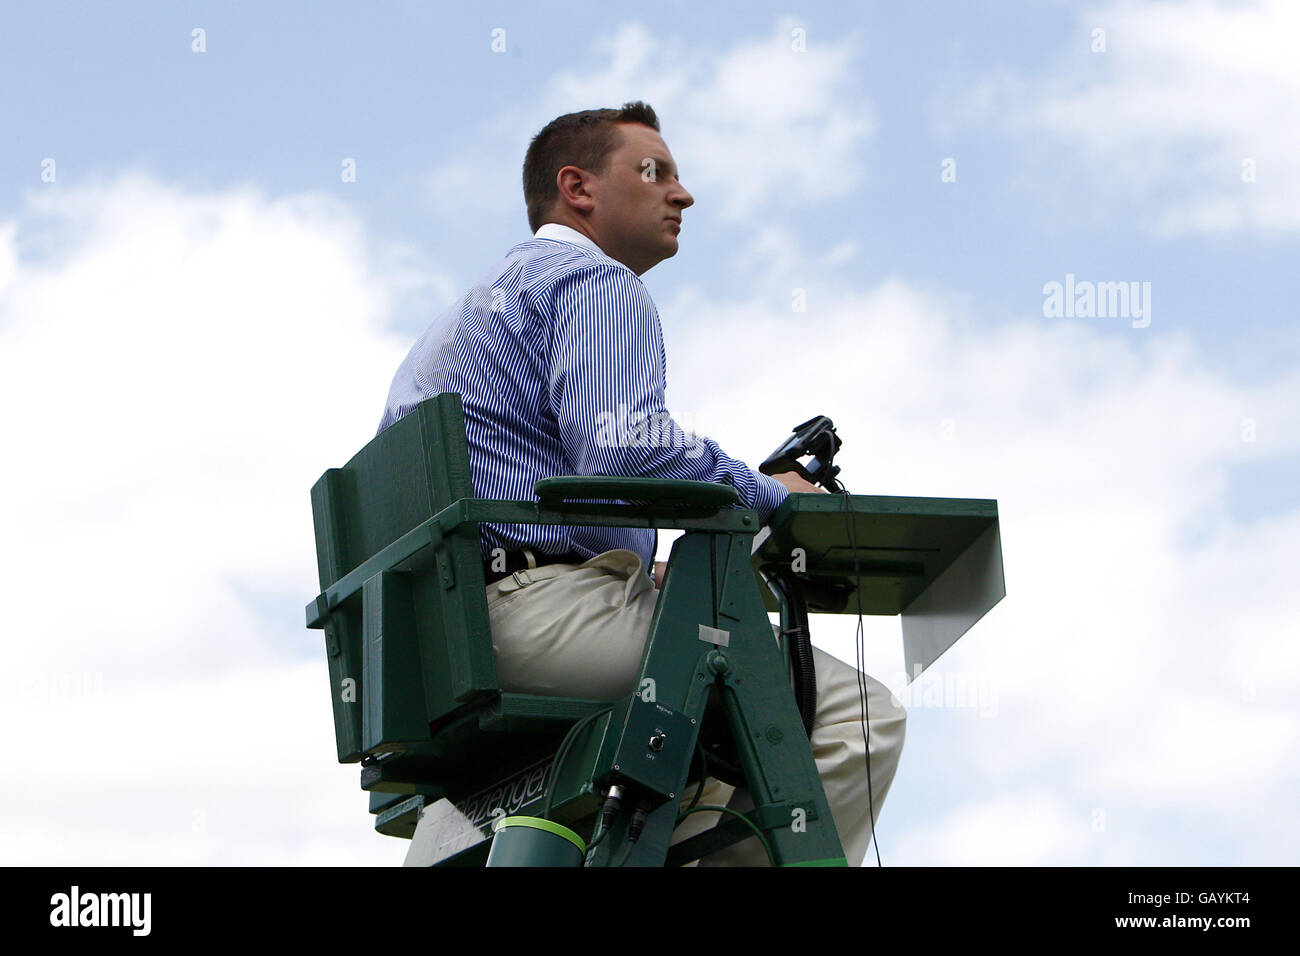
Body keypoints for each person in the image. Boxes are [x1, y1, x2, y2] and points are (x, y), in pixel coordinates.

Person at [381, 101, 904, 866]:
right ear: (578, 188)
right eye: (654, 171)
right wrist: (772, 494)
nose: (682, 194)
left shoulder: (466, 315)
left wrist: (632, 562)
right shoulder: (594, 282)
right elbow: (625, 450)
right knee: (861, 716)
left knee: (716, 750)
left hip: (443, 649)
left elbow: (550, 481)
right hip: (536, 620)